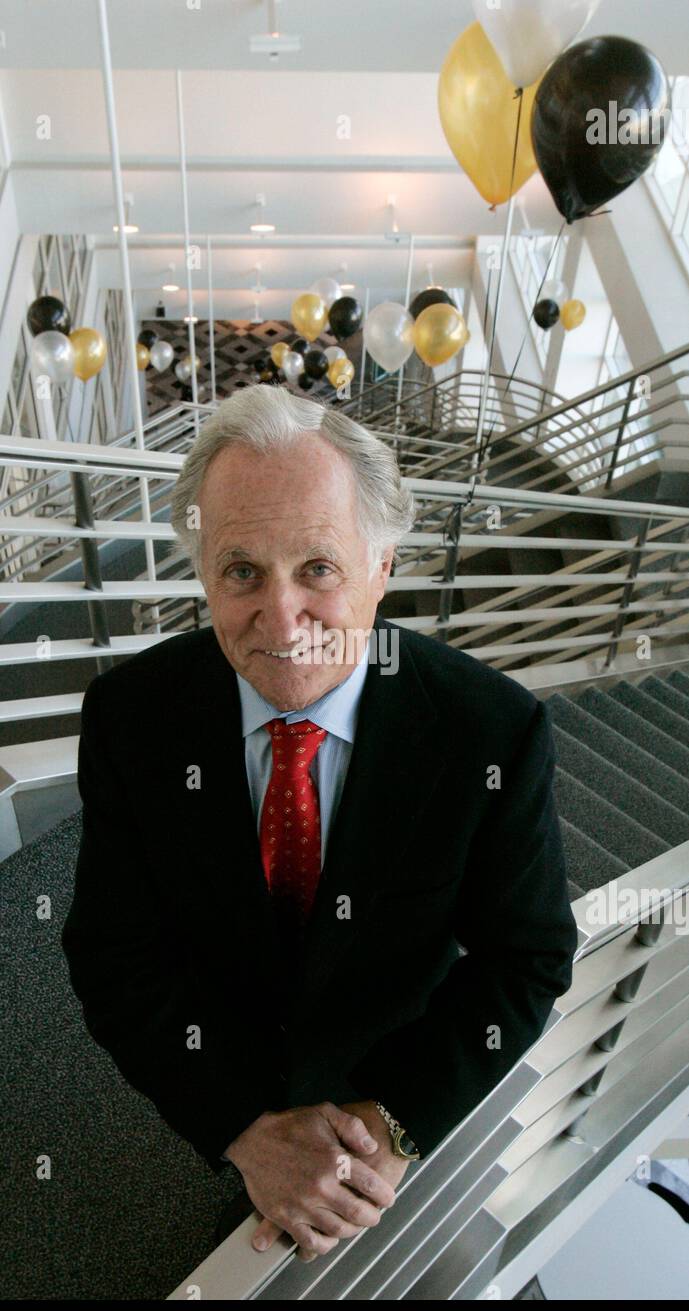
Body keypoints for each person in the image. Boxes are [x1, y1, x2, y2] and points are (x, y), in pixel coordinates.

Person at [62, 383, 578, 1264]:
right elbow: (115, 952)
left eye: (318, 568)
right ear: (203, 575)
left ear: (381, 568)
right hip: (212, 1064)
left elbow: (523, 958)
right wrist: (240, 1129)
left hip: (390, 1074)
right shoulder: (131, 718)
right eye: (241, 572)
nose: (281, 616)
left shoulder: (487, 732)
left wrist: (387, 1126)